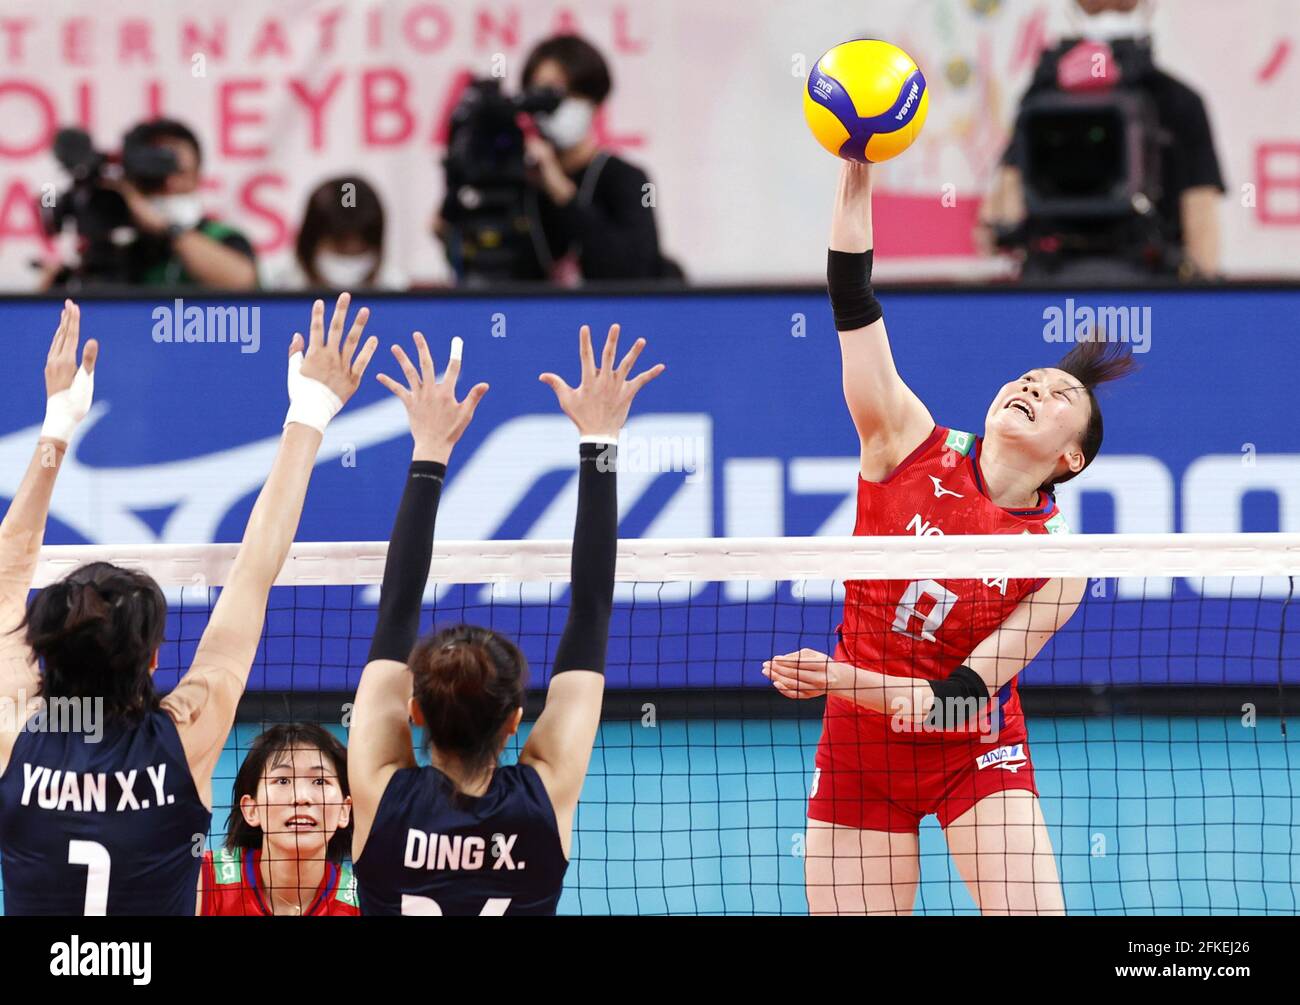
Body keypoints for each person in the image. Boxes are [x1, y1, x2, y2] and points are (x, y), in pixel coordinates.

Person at [762, 162, 1136, 915]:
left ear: (1072, 458)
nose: (1034, 388)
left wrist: (832, 676)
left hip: (973, 745)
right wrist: (855, 171)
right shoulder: (903, 440)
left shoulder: (1057, 565)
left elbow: (954, 702)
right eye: (1030, 379)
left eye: (1059, 395)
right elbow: (853, 297)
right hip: (860, 752)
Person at [0, 295, 376, 914]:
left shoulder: (17, 733)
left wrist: (57, 426)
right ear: (151, 662)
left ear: (43, 654)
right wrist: (311, 413)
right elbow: (255, 571)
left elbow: (12, 569)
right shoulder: (185, 735)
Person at [349, 323, 663, 915]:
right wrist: (599, 437)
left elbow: (394, 611)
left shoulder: (379, 792)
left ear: (414, 712)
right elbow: (592, 606)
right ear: (515, 721)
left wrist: (429, 452)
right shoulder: (545, 795)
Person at [977, 0, 1224, 280]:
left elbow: (1000, 217)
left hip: (1054, 293)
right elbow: (1202, 227)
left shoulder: (1042, 97)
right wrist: (1204, 300)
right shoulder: (1179, 99)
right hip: (1148, 293)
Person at [198, 723, 358, 916]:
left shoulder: (361, 903)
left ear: (344, 810)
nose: (301, 797)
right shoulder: (203, 880)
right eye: (283, 781)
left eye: (320, 781)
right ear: (251, 809)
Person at [113, 118, 259, 289]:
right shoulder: (126, 251)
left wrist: (167, 228)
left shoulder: (223, 237)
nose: (170, 184)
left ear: (197, 176)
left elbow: (242, 281)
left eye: (179, 173)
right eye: (156, 178)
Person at [265, 176, 405, 290]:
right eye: (340, 246)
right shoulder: (276, 287)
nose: (350, 258)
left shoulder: (395, 288)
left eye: (360, 250)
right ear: (310, 243)